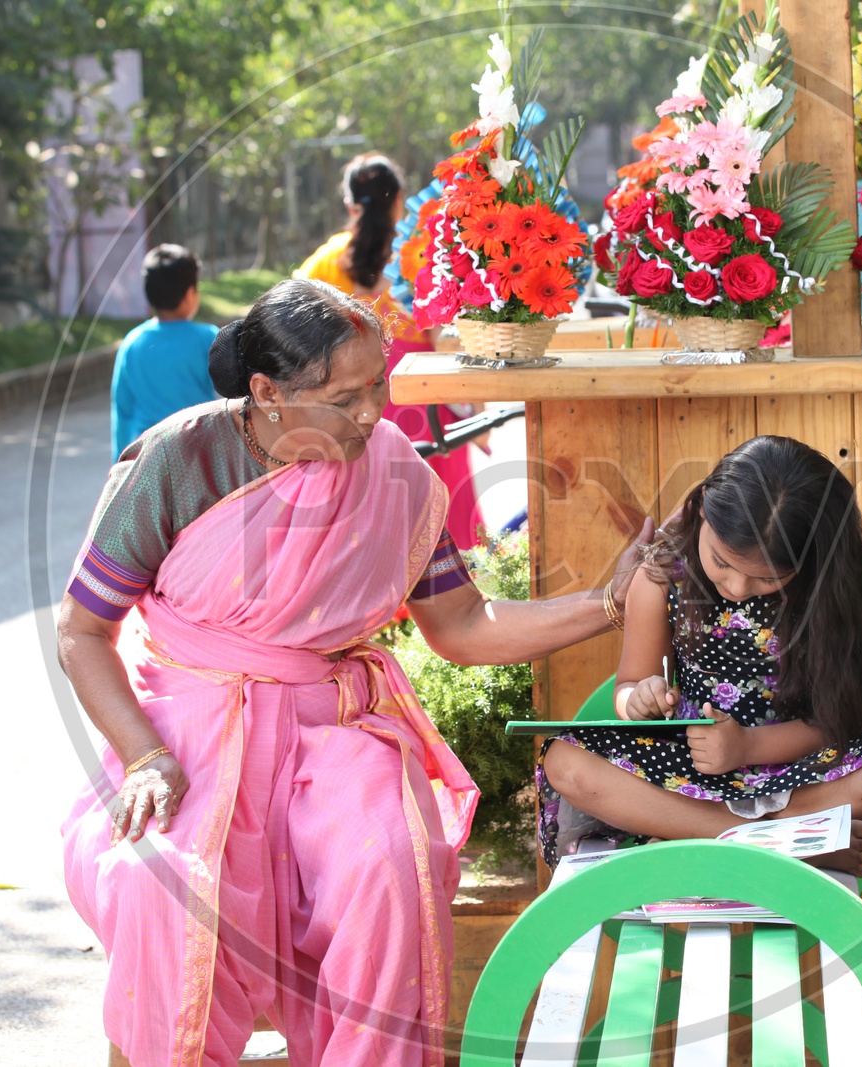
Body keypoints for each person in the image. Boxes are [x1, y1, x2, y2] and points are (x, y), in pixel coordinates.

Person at [58, 278, 651, 1067]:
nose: (373, 413)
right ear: (266, 392)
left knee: (386, 864)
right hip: (188, 733)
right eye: (345, 397)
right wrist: (142, 754)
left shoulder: (394, 471)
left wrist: (612, 599)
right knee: (158, 884)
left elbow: (465, 626)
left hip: (331, 732)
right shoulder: (179, 457)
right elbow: (81, 629)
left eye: (380, 384)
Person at [537, 435, 862, 905]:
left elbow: (840, 725)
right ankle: (788, 844)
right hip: (690, 771)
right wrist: (638, 699)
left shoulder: (835, 599)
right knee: (564, 761)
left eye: (766, 577)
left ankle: (716, 838)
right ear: (701, 512)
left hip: (801, 770)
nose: (737, 586)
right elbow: (628, 686)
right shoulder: (663, 578)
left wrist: (746, 746)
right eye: (721, 561)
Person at [295, 153, 488, 547]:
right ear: (400, 198)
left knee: (369, 525)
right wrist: (478, 408)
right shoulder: (423, 253)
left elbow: (291, 325)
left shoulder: (326, 262)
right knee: (445, 527)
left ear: (349, 204)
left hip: (356, 409)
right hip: (426, 400)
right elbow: (448, 336)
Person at [109, 244, 219, 460]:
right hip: (199, 454)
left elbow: (122, 409)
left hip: (148, 456)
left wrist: (118, 462)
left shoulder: (133, 342)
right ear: (190, 293)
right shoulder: (208, 338)